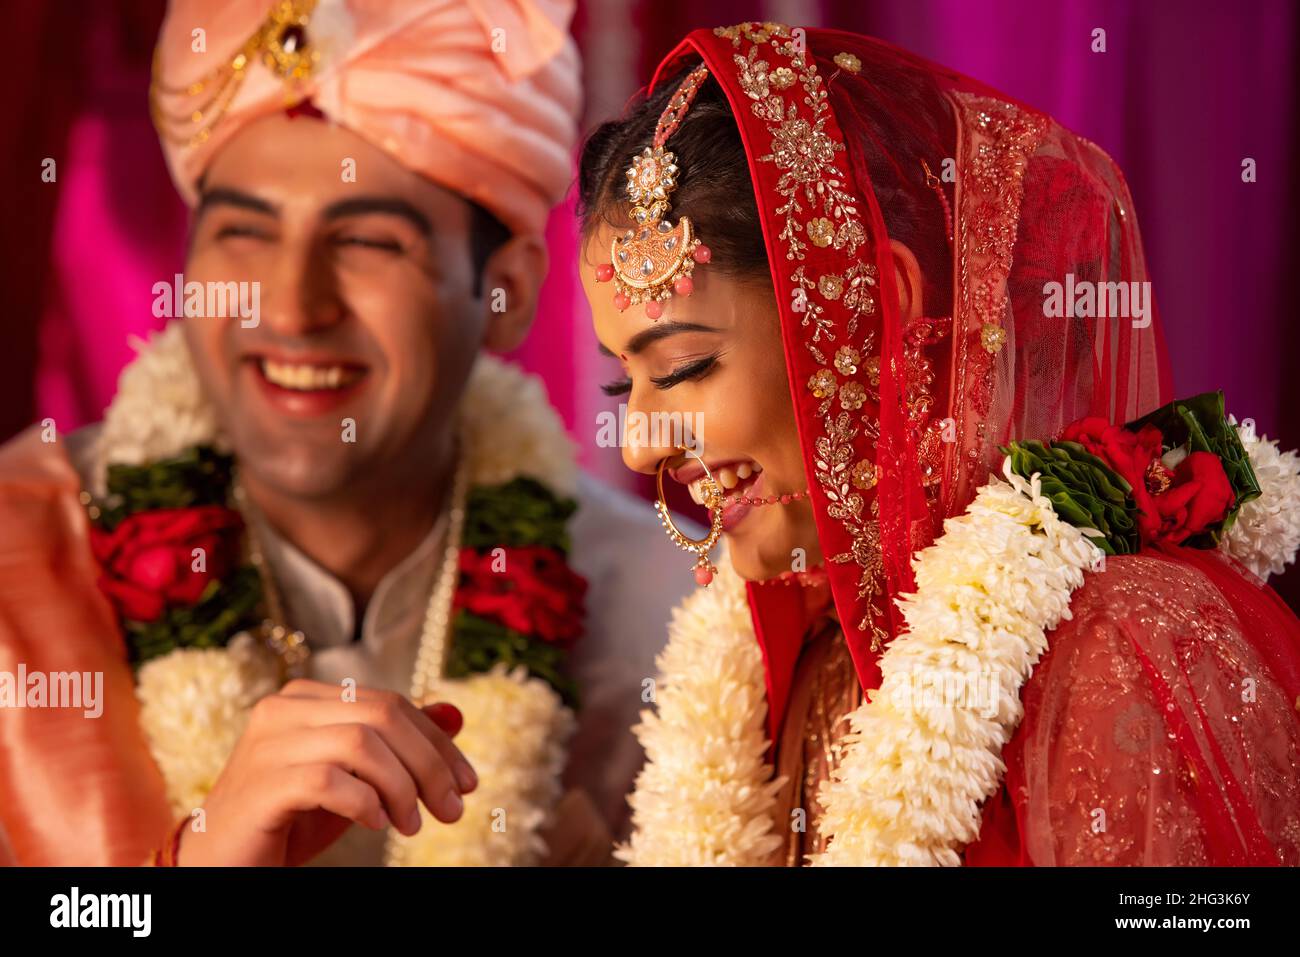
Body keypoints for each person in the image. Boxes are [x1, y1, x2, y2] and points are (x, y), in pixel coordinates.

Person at [578, 22, 1300, 865]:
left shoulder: (1117, 649)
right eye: (620, 381)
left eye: (684, 365)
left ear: (875, 306)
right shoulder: (793, 648)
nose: (635, 447)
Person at [0, 0, 692, 867]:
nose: (291, 307)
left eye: (367, 241)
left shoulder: (675, 623)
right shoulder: (22, 563)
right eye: (244, 234)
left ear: (506, 289)